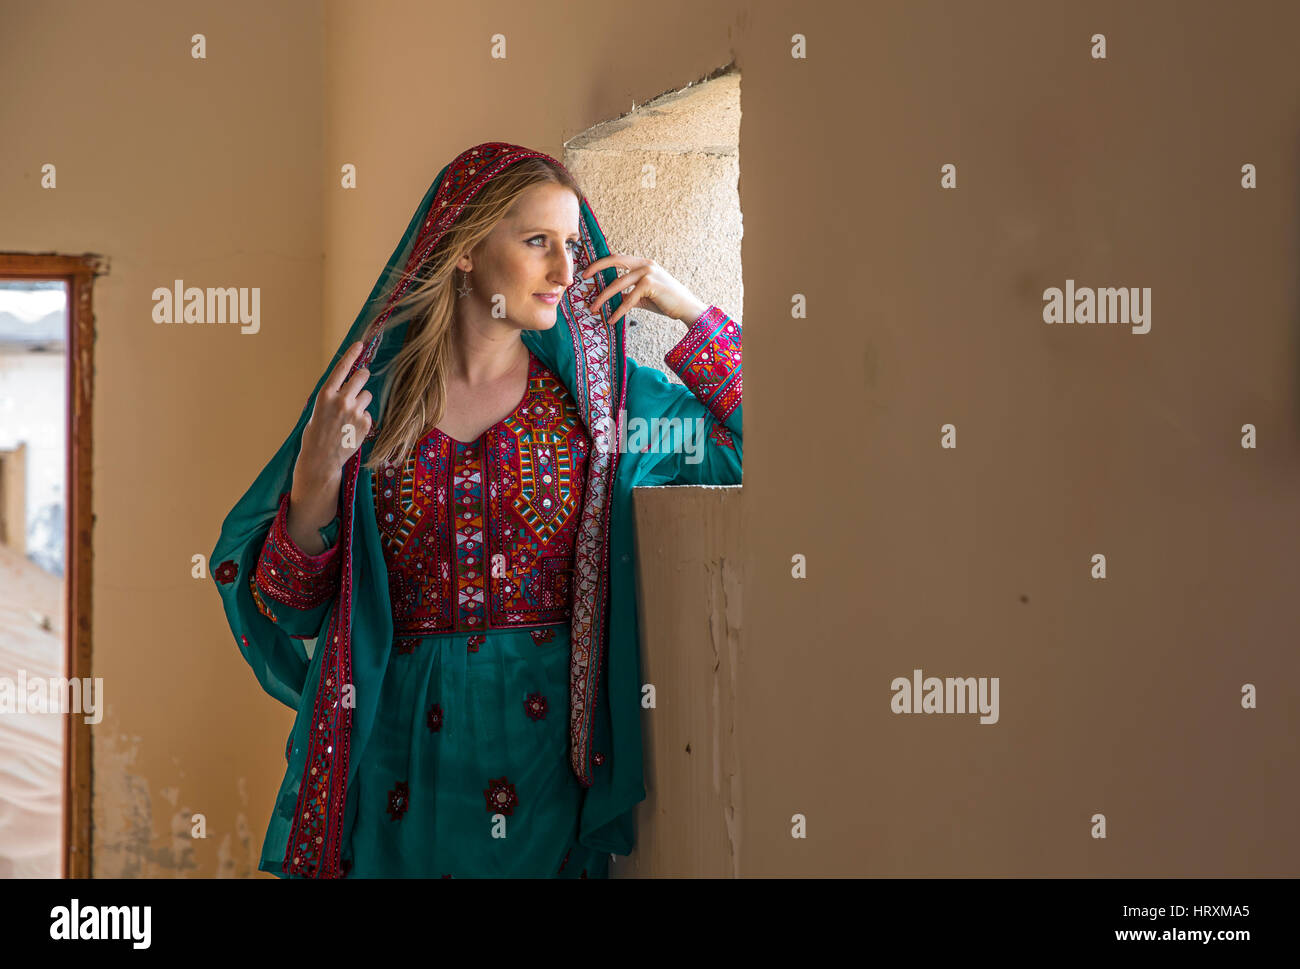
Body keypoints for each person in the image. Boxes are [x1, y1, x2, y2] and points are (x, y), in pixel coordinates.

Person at [210, 142, 743, 878]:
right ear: (463, 248)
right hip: (392, 763)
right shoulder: (370, 408)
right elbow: (288, 605)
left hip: (539, 767)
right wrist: (313, 480)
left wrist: (685, 308)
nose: (565, 269)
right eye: (537, 242)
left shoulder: (601, 409)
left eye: (571, 245)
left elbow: (758, 439)